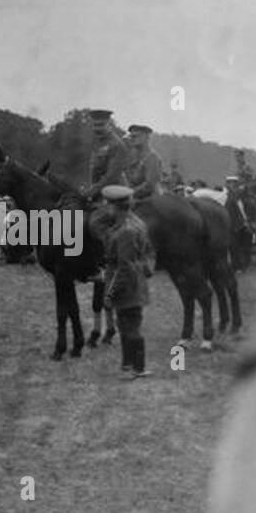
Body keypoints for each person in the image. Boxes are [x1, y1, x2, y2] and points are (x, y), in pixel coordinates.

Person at [101, 185, 154, 379]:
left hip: (126, 285)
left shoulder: (125, 231)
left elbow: (124, 267)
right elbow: (148, 252)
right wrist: (145, 271)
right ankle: (128, 363)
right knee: (125, 323)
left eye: (107, 205)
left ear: (114, 207)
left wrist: (110, 293)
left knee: (130, 325)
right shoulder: (137, 223)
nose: (106, 208)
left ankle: (137, 368)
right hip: (135, 281)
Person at [83, 109, 128, 200]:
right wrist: (90, 188)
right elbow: (94, 169)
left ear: (109, 124)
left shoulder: (116, 144)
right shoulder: (97, 142)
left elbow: (112, 176)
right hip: (99, 193)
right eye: (95, 125)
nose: (97, 129)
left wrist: (92, 190)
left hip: (116, 196)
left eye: (101, 125)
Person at [125, 124, 164, 199]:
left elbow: (149, 185)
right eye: (131, 136)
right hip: (133, 197)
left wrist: (129, 192)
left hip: (150, 200)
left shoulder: (152, 158)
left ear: (146, 137)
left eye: (136, 136)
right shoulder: (131, 155)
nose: (132, 139)